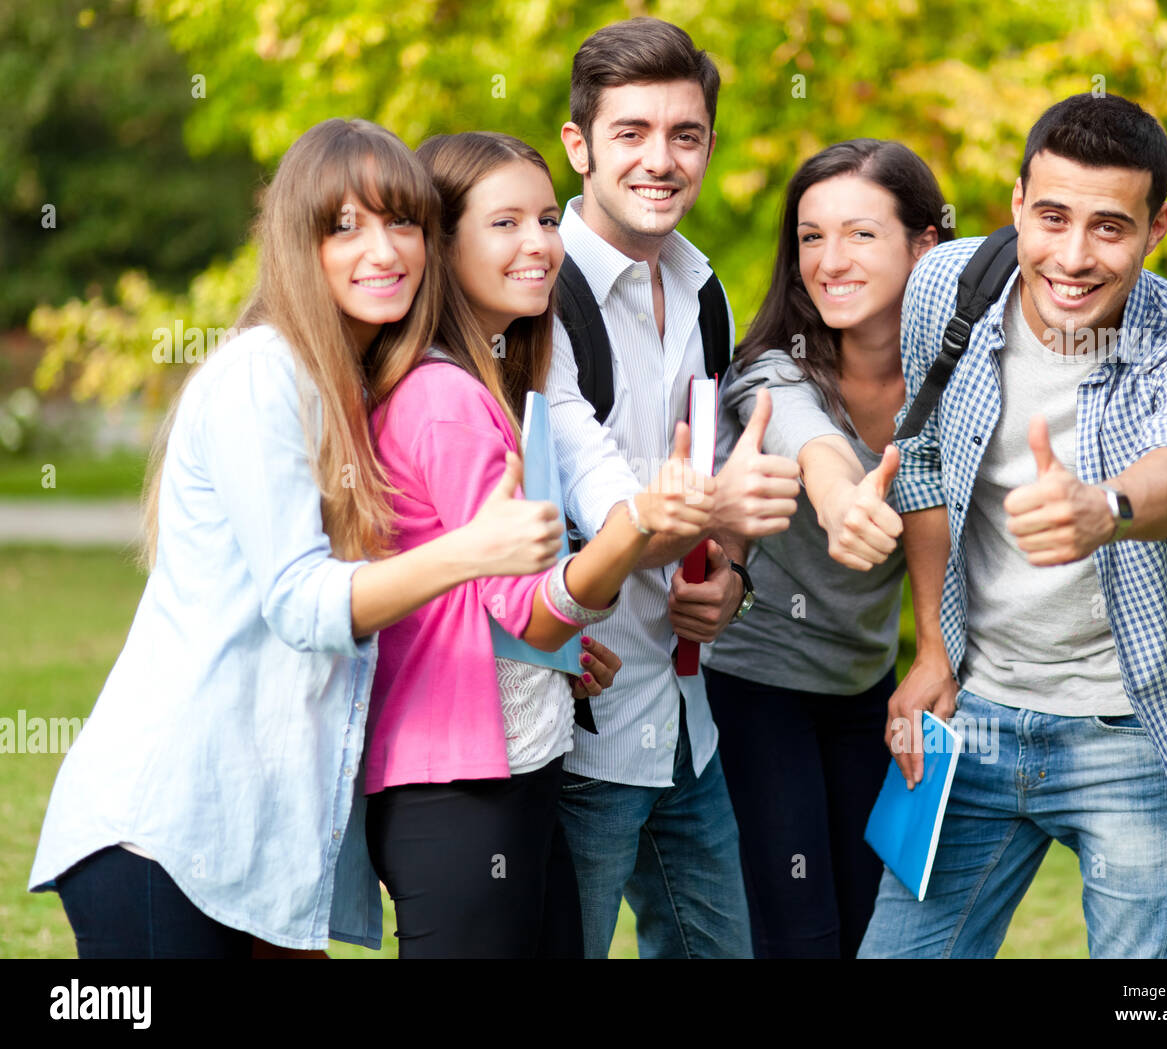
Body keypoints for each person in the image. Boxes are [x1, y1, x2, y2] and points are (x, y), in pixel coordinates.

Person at [27, 118, 565, 958]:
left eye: (402, 223)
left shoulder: (355, 386)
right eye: (343, 226)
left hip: (270, 842)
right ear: (295, 243)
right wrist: (474, 549)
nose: (382, 250)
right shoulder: (263, 374)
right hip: (167, 833)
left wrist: (536, 645)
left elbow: (397, 600)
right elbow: (302, 602)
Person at [859, 93, 1167, 959]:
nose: (1073, 256)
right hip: (976, 718)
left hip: (1133, 734)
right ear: (1015, 204)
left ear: (1156, 230)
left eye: (1110, 227)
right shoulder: (945, 286)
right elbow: (920, 460)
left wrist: (1103, 508)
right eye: (1052, 218)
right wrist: (930, 649)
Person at [362, 130, 716, 958]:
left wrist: (555, 662)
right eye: (506, 223)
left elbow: (479, 603)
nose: (541, 244)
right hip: (460, 788)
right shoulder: (447, 398)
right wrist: (638, 526)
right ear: (442, 248)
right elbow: (529, 613)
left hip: (508, 770)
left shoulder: (494, 382)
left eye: (549, 219)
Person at [544, 17, 802, 958]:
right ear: (578, 146)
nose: (662, 160)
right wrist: (724, 510)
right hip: (579, 724)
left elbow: (719, 474)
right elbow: (583, 494)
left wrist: (730, 567)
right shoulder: (538, 291)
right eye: (631, 134)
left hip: (688, 720)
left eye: (684, 136)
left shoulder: (707, 291)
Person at [702, 139, 951, 958]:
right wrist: (843, 498)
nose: (830, 261)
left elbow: (934, 507)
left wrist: (933, 652)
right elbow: (812, 445)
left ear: (925, 245)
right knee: (800, 935)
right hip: (755, 682)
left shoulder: (956, 381)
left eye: (860, 235)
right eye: (811, 237)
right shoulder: (775, 370)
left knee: (873, 931)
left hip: (866, 687)